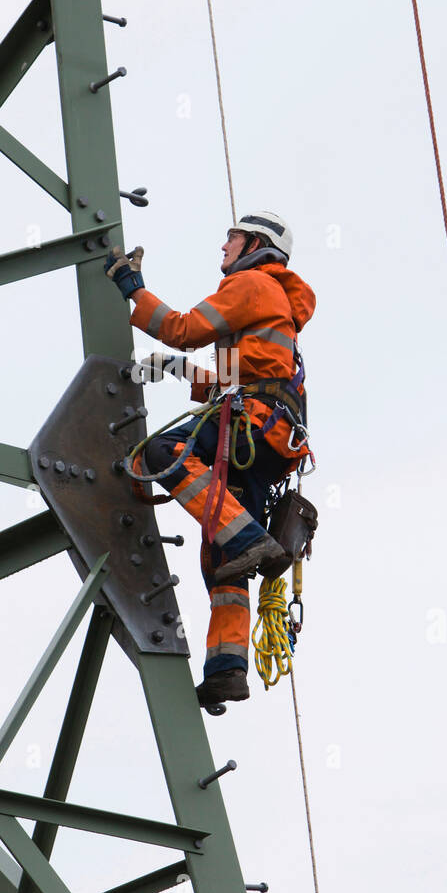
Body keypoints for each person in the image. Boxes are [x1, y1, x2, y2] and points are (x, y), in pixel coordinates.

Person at [105, 210, 315, 709]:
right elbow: (243, 371)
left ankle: (247, 537)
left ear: (256, 244)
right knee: (226, 566)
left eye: (233, 238)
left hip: (253, 427)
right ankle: (226, 672)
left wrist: (133, 288)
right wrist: (179, 370)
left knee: (160, 451)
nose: (224, 247)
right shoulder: (272, 307)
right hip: (268, 441)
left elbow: (182, 327)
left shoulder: (252, 285)